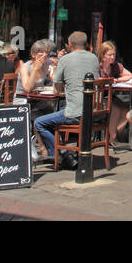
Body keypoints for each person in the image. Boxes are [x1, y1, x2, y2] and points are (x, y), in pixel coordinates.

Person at [33, 31, 98, 168]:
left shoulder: (65, 59)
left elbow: (56, 89)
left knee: (39, 122)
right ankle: (67, 154)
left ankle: (62, 155)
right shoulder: (93, 58)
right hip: (94, 112)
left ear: (70, 44)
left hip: (75, 113)